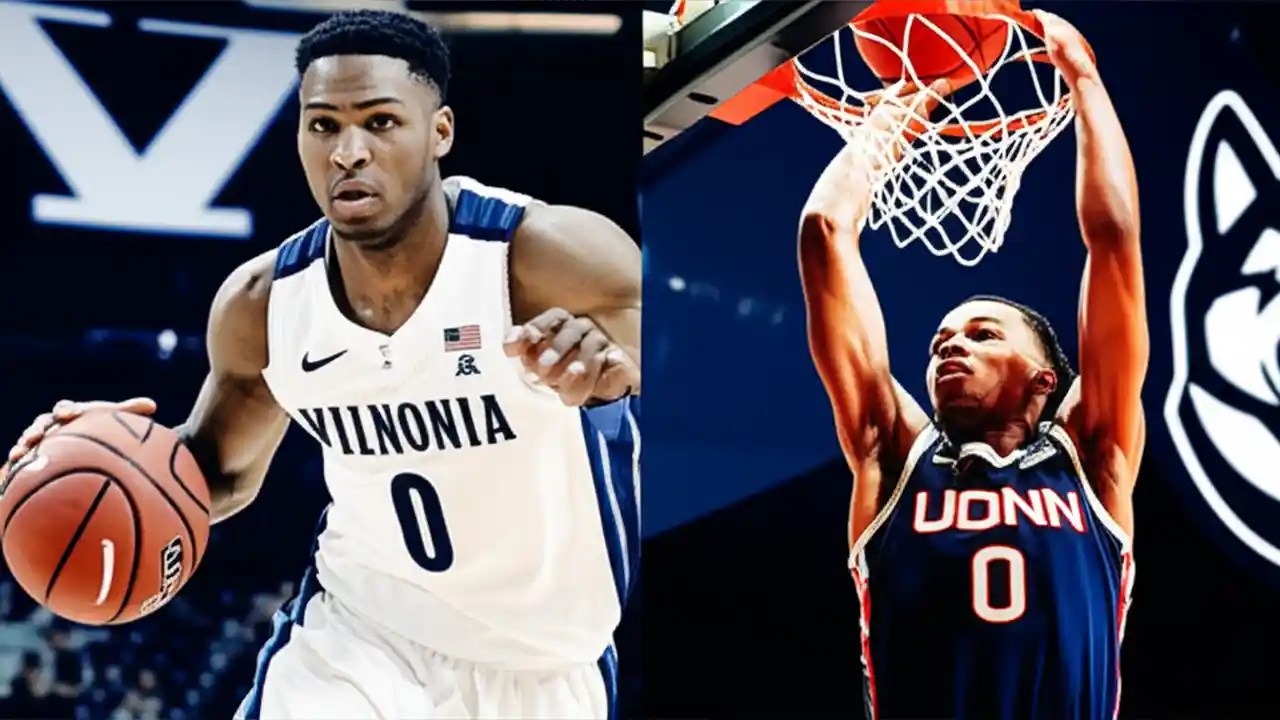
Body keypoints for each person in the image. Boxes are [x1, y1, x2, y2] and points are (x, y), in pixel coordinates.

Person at [4, 9, 640, 720]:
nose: (348, 152)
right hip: (360, 640)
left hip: (545, 665)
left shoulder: (541, 256)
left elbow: (665, 356)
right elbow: (212, 478)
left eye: (380, 121)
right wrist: (81, 467)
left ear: (440, 133)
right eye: (324, 125)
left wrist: (615, 374)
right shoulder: (264, 305)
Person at [797, 11, 1144, 720]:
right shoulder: (891, 454)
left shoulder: (1092, 456)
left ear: (1046, 380)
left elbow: (1113, 238)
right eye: (940, 342)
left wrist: (1083, 77)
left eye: (984, 334)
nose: (950, 345)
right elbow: (825, 232)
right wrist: (914, 95)